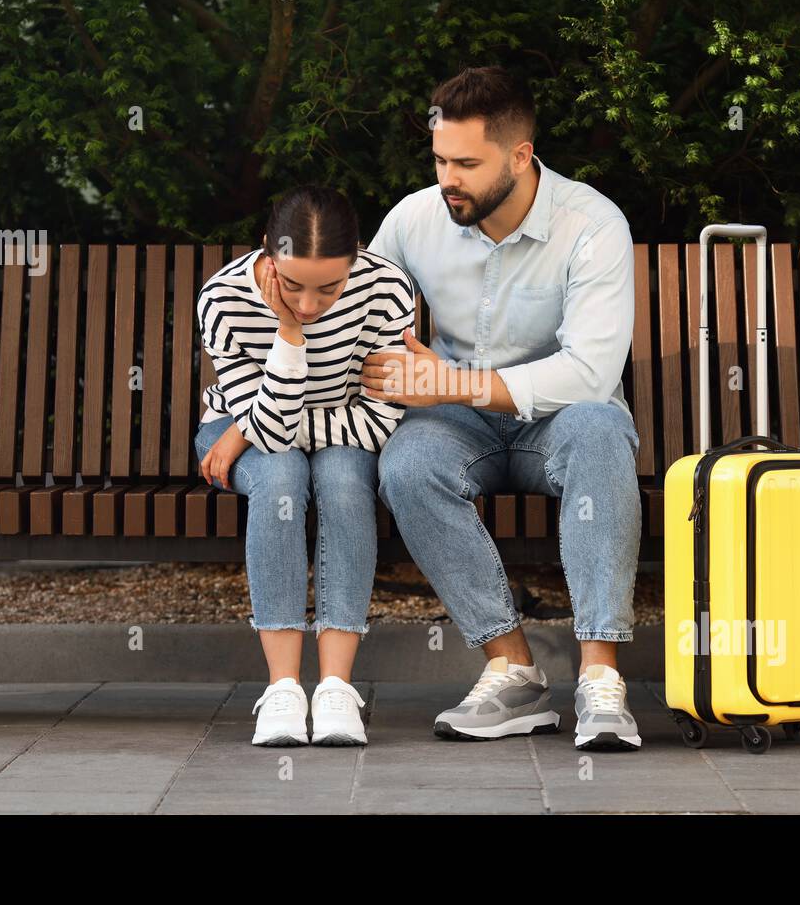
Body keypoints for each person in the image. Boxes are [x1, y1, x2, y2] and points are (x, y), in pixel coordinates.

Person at [362, 66, 643, 750]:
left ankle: (601, 678)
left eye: (465, 162)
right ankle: (512, 666)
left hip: (565, 417)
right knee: (407, 462)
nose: (447, 178)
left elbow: (589, 372)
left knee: (604, 428)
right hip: (463, 425)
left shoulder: (592, 224)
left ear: (520, 157)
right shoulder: (415, 218)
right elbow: (360, 315)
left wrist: (450, 382)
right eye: (438, 159)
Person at [194, 185, 415, 747]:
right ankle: (285, 688)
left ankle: (337, 687)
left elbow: (379, 422)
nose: (310, 305)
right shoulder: (223, 298)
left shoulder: (385, 289)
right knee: (282, 476)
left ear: (358, 257)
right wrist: (288, 336)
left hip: (318, 429)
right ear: (267, 253)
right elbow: (270, 436)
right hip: (243, 429)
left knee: (342, 480)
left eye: (329, 288)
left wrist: (271, 427)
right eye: (292, 287)